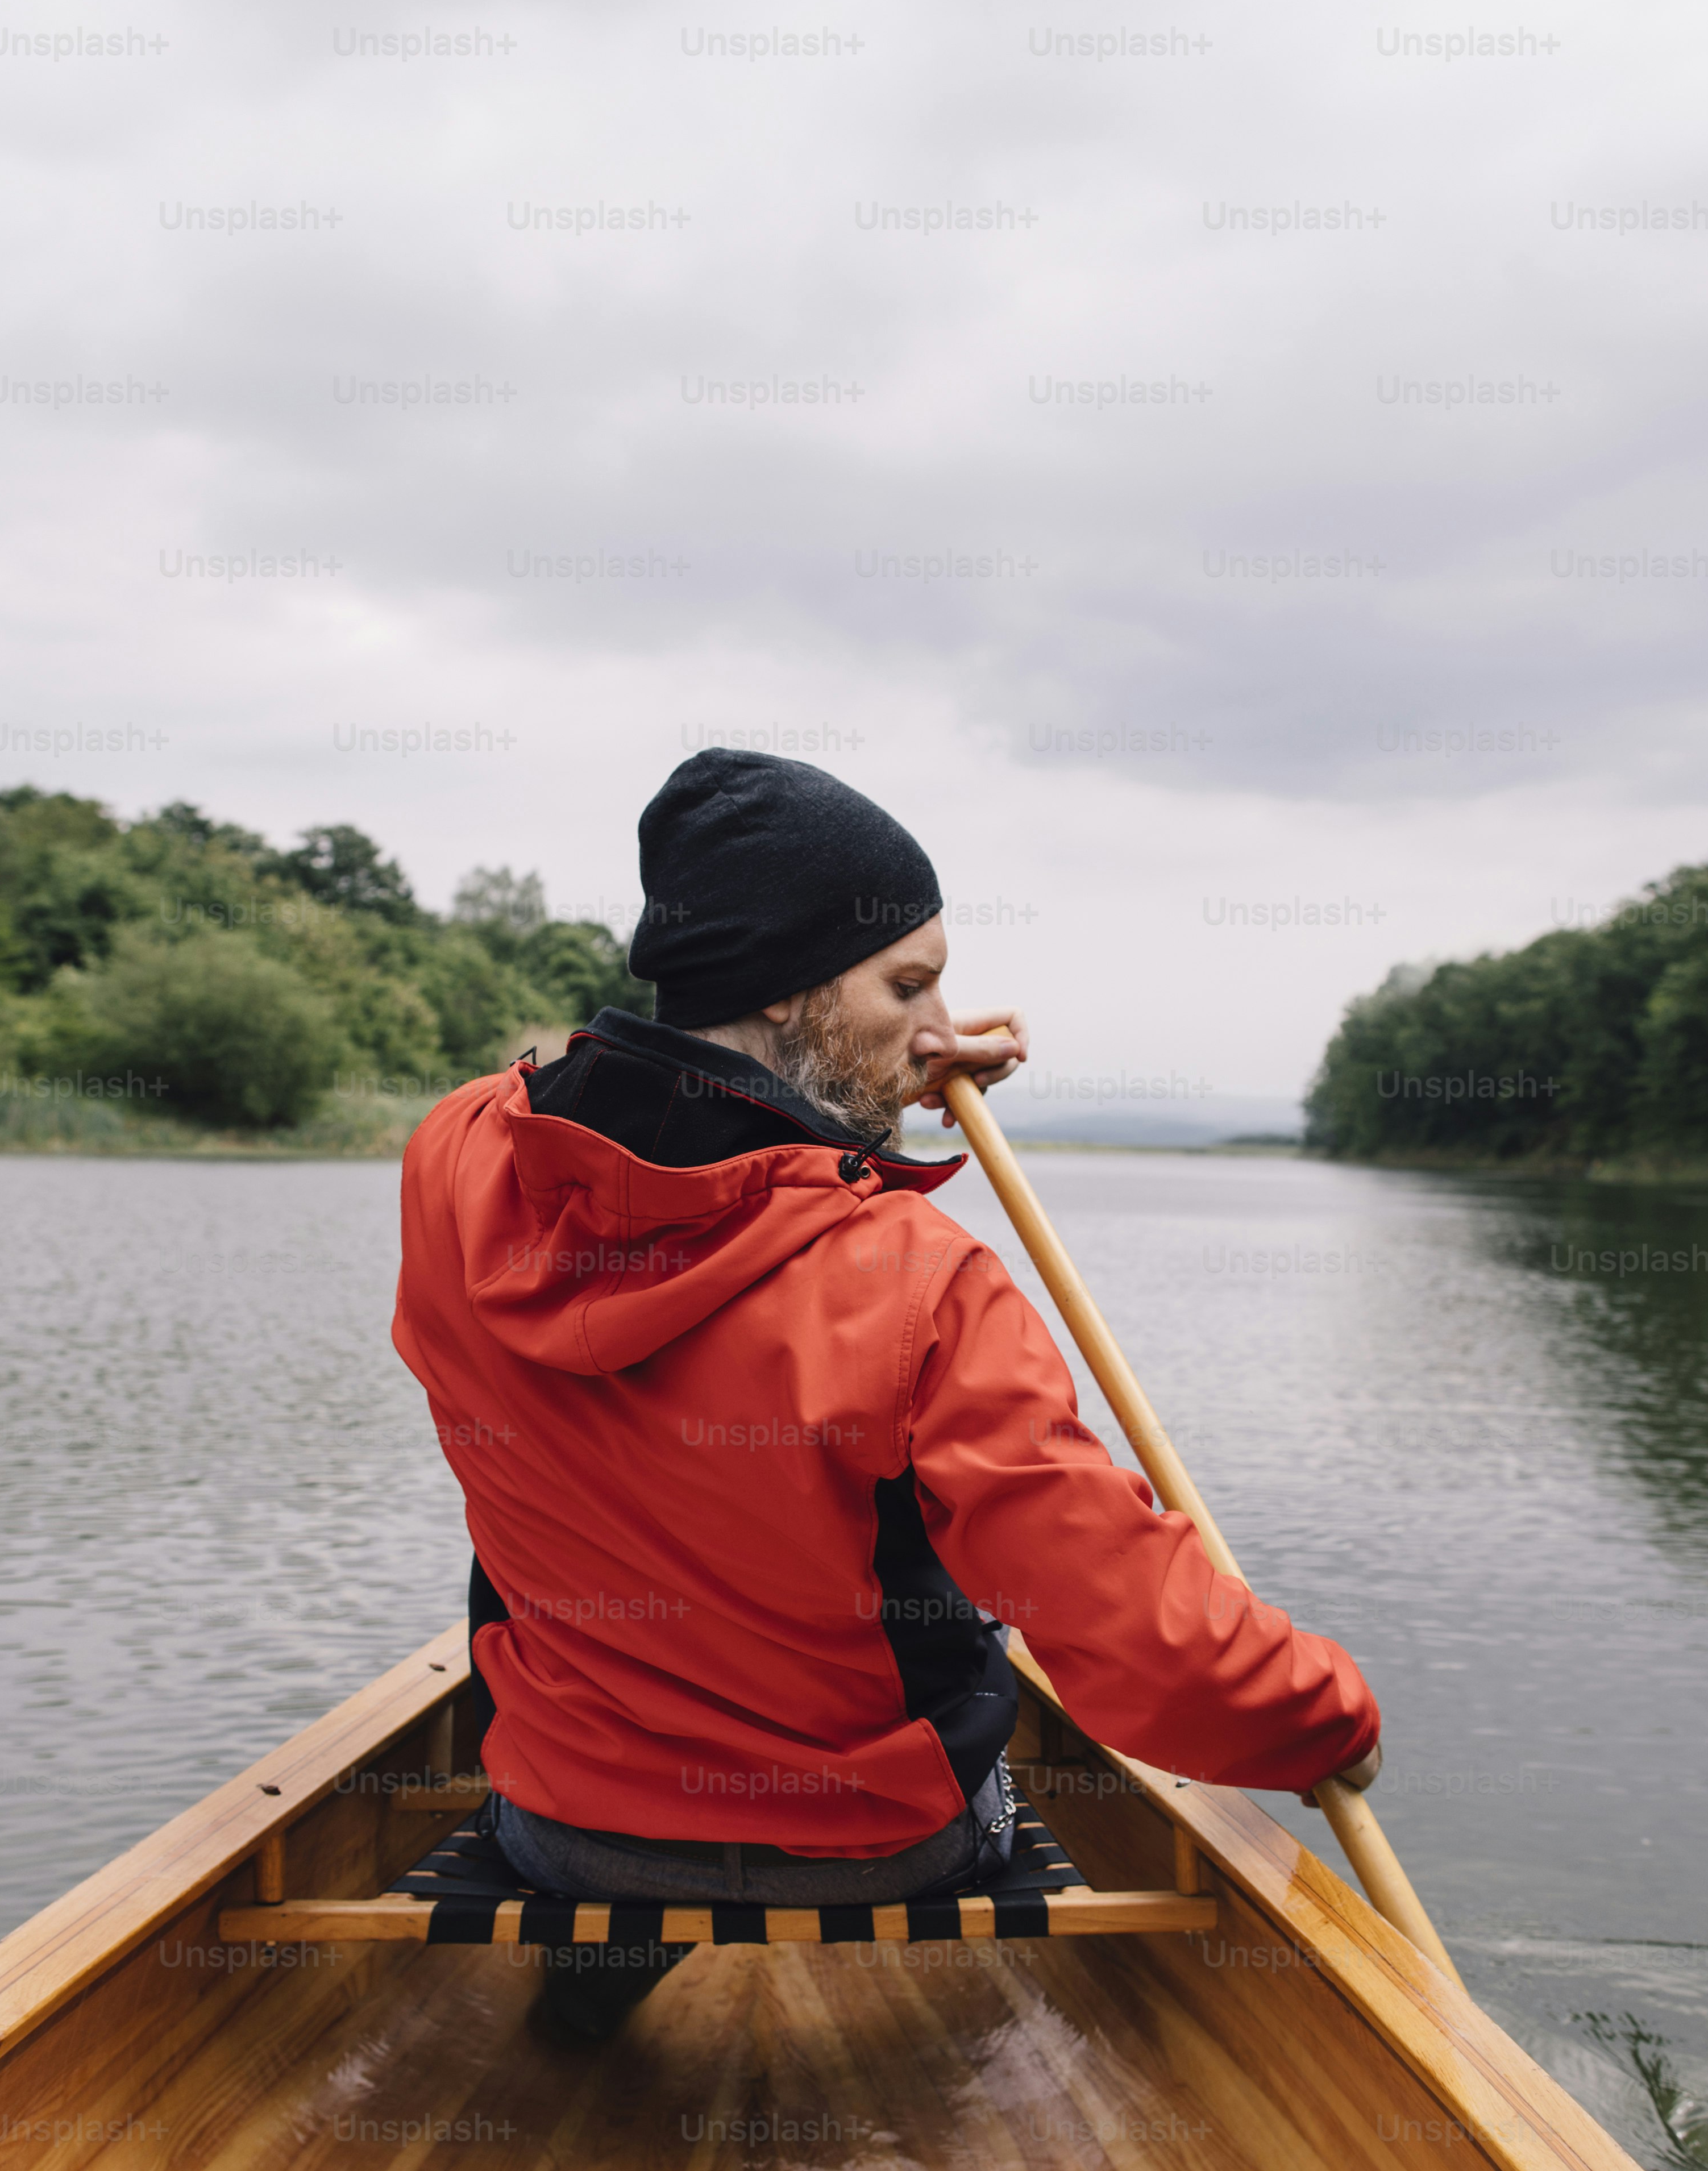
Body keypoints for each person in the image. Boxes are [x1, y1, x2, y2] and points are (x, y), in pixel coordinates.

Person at [390, 748, 1384, 2044]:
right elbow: (1133, 1638)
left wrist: (877, 1067)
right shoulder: (918, 1280)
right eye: (909, 983)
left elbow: (672, 1117)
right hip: (875, 1842)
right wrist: (1318, 1716)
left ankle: (593, 1990)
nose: (939, 1022)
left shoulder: (456, 1159)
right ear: (791, 993)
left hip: (569, 1829)